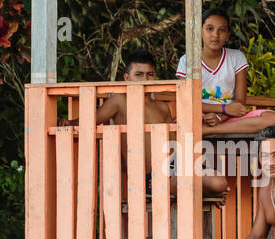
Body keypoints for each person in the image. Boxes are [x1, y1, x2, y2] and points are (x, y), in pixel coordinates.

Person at [97, 49, 227, 198]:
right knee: (199, 184)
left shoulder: (162, 107)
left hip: (177, 166)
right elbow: (90, 120)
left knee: (219, 183)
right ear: (127, 77)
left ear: (155, 76)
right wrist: (67, 122)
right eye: (138, 74)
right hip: (151, 176)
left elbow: (174, 144)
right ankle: (198, 189)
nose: (145, 79)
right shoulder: (119, 101)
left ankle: (200, 188)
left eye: (150, 74)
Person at [176, 7, 275, 136]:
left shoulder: (236, 57)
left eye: (222, 30)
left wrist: (221, 117)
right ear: (200, 31)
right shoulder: (187, 60)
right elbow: (187, 101)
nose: (215, 35)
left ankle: (209, 130)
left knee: (273, 118)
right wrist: (223, 108)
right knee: (182, 121)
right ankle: (207, 127)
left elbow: (240, 101)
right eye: (210, 29)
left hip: (229, 117)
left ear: (228, 35)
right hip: (199, 115)